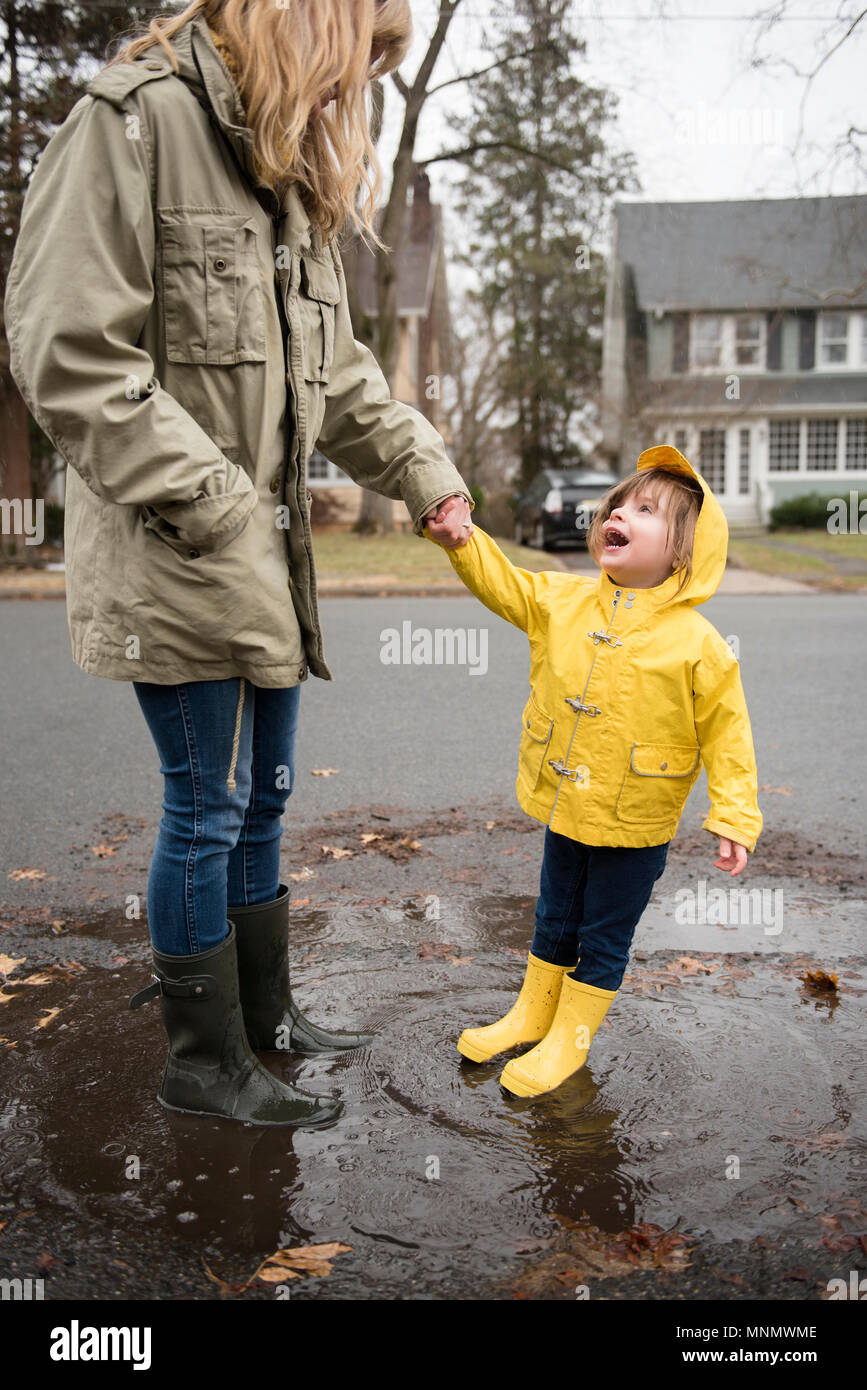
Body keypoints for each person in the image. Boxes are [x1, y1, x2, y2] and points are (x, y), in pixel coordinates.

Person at [4, 0, 474, 1128]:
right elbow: (67, 351)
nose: (347, 94)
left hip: (268, 561)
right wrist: (216, 503)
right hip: (183, 550)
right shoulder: (133, 124)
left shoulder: (282, 175)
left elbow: (342, 373)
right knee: (204, 808)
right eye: (351, 60)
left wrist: (425, 470)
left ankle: (267, 1020)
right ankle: (202, 1061)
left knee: (262, 800)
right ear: (303, 25)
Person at [424, 444, 763, 1098]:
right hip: (566, 803)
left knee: (602, 935)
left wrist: (734, 816)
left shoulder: (697, 643)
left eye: (645, 510)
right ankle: (531, 1015)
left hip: (635, 821)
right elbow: (506, 583)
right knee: (554, 916)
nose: (620, 513)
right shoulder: (563, 601)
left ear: (682, 552)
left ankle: (569, 1044)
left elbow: (728, 734)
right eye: (618, 503)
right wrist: (463, 540)